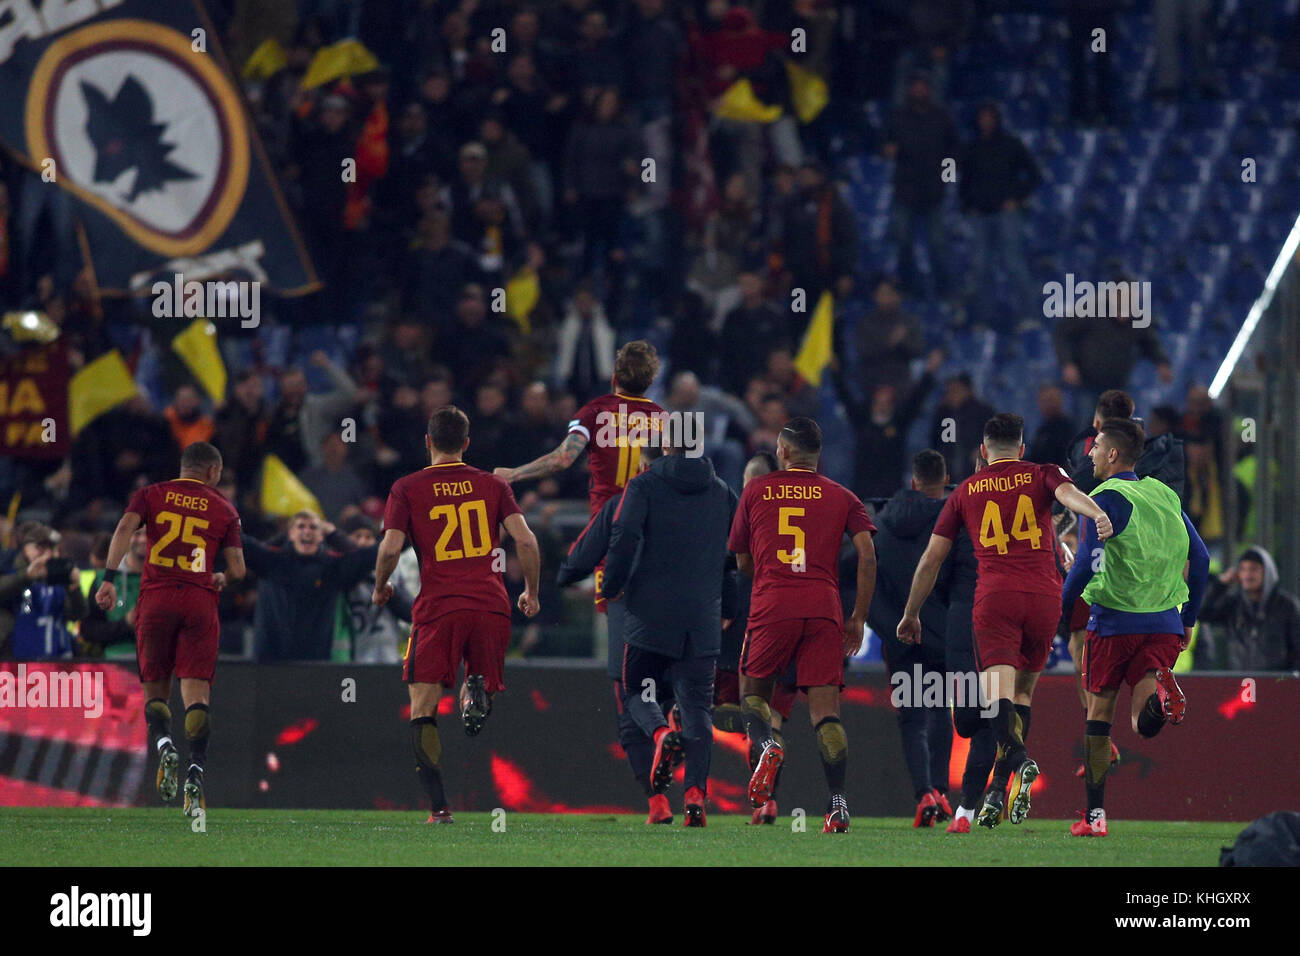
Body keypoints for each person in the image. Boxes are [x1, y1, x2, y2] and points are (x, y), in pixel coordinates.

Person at [898, 413, 1113, 829]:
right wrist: (1097, 513)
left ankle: (1018, 758)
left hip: (996, 598)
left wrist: (911, 613)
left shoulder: (965, 491)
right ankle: (999, 787)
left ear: (983, 451)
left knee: (996, 694)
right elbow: (1070, 497)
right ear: (1022, 448)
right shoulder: (1043, 473)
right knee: (1023, 696)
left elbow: (932, 558)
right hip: (1045, 597)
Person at [373, 405, 541, 824]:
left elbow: (391, 548)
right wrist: (532, 594)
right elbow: (527, 541)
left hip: (438, 608)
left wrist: (381, 587)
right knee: (482, 675)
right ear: (467, 444)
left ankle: (440, 809)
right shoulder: (493, 485)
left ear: (427, 442)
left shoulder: (407, 487)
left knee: (422, 707)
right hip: (491, 605)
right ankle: (476, 689)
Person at [1060, 418, 1209, 836]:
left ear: (1111, 454)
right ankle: (1162, 701)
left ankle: (1094, 818)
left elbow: (1088, 564)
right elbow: (1202, 559)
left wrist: (1063, 607)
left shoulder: (1103, 498)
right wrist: (1188, 618)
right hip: (1163, 622)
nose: (1088, 453)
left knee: (1099, 716)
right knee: (1141, 724)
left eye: (1095, 447)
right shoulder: (1163, 492)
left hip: (1114, 620)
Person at [728, 417, 878, 833]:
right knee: (826, 714)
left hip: (774, 601)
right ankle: (837, 806)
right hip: (825, 606)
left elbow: (741, 562)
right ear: (818, 456)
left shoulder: (756, 490)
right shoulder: (842, 496)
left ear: (784, 452)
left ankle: (766, 746)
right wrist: (859, 617)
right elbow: (867, 554)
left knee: (753, 693)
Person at [94, 442, 245, 817]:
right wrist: (222, 577)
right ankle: (196, 770)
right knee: (196, 694)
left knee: (155, 688)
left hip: (156, 598)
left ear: (184, 467)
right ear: (213, 472)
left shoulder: (150, 494)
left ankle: (164, 746)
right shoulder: (225, 508)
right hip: (199, 600)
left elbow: (125, 528)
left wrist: (110, 578)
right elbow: (239, 571)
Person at [600, 436, 738, 827]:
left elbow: (621, 538)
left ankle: (660, 737)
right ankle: (695, 798)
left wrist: (610, 586)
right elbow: (729, 557)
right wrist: (728, 606)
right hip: (702, 620)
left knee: (633, 692)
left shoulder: (642, 488)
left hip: (650, 618)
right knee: (697, 710)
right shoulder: (720, 491)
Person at [555, 444, 678, 824]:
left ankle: (657, 801)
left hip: (630, 617)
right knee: (683, 703)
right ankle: (695, 800)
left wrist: (565, 575)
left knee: (632, 710)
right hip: (685, 619)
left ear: (641, 465)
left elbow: (582, 555)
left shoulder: (622, 503)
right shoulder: (699, 502)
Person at [496, 340, 664, 614]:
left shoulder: (596, 411)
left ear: (614, 378)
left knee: (614, 615)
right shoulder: (665, 420)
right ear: (650, 382)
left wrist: (514, 474)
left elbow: (563, 458)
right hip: (652, 533)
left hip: (609, 531)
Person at [869, 450, 954, 828]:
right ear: (944, 478)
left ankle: (923, 794)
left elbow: (872, 575)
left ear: (914, 481)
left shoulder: (883, 522)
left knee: (912, 717)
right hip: (942, 633)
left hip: (900, 634)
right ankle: (941, 790)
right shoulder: (953, 520)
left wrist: (889, 624)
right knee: (940, 711)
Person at [243, 511, 378, 661]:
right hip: (270, 663)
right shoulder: (272, 562)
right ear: (291, 534)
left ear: (322, 536)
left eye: (313, 527)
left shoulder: (333, 567)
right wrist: (284, 535)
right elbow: (242, 545)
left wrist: (333, 534)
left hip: (315, 666)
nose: (307, 531)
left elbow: (371, 555)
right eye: (301, 526)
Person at [1198, 546, 1299, 672]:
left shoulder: (1287, 606)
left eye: (1254, 569)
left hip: (1277, 684)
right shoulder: (1233, 604)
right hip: (1241, 684)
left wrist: (1290, 682)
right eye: (1243, 569)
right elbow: (1202, 614)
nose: (1247, 575)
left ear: (1267, 573)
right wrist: (1221, 584)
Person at [0, 523, 88, 659]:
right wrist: (26, 576)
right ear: (25, 549)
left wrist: (74, 590)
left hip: (57, 662)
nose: (47, 554)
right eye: (40, 547)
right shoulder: (10, 571)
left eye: (52, 548)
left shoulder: (61, 579)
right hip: (15, 662)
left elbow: (76, 614)